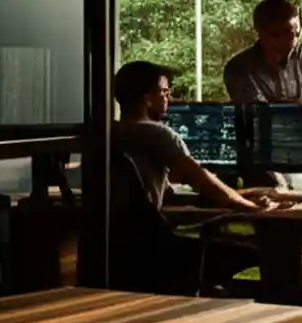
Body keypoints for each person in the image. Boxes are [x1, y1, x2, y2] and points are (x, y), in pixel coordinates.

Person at [112, 61, 264, 291]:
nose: (169, 99)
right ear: (147, 98)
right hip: (153, 246)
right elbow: (200, 180)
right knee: (255, 251)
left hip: (120, 246)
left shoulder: (109, 132)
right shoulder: (158, 133)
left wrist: (241, 194)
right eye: (164, 92)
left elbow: (155, 190)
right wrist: (248, 206)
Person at [223, 0, 302, 105]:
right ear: (261, 32)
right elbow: (259, 114)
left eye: (298, 33)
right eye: (288, 33)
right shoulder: (238, 68)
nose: (295, 40)